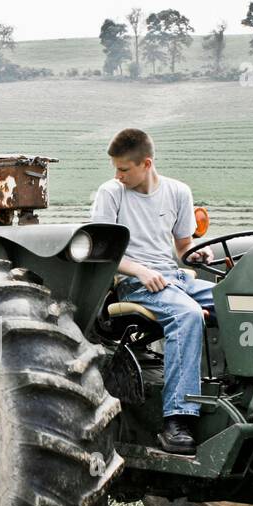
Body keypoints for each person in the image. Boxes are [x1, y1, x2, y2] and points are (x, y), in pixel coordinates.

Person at [90, 128, 214, 456]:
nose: (117, 175)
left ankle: (231, 396)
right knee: (186, 315)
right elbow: (104, 252)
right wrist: (142, 271)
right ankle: (177, 420)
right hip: (134, 283)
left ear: (146, 163)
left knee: (235, 301)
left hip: (174, 278)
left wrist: (197, 255)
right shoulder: (111, 193)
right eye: (115, 168)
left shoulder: (178, 192)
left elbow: (184, 246)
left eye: (124, 169)